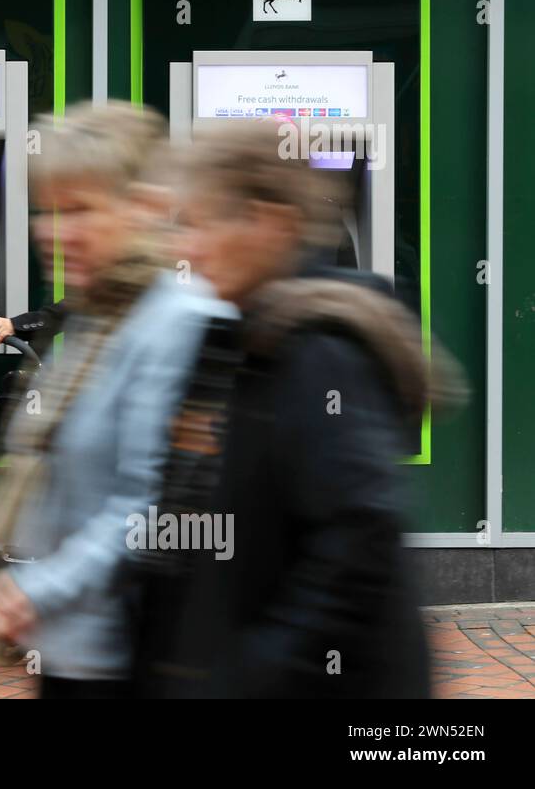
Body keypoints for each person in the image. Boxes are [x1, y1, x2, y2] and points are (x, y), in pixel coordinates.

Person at [131, 118, 461, 697]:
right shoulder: (237, 340)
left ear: (268, 222)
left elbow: (358, 541)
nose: (186, 248)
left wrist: (252, 674)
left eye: (202, 223)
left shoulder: (320, 352)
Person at [0, 102, 228, 697]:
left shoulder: (178, 322)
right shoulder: (92, 319)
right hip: (70, 650)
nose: (53, 232)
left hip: (134, 658)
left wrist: (34, 590)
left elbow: (148, 506)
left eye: (80, 209)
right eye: (47, 210)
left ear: (144, 207)